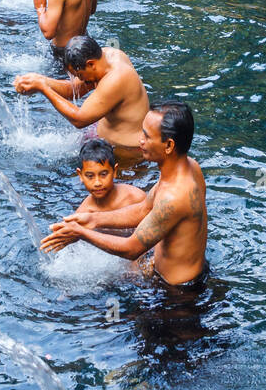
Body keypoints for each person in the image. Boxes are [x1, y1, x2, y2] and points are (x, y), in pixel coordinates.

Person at [41, 102, 208, 288]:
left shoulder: (175, 197)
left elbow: (132, 249)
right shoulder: (189, 167)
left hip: (178, 298)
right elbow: (144, 209)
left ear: (168, 145)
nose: (140, 140)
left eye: (146, 135)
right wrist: (94, 219)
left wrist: (81, 233)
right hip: (181, 276)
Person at [14, 34, 150, 156]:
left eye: (79, 75)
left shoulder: (117, 78)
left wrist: (44, 88)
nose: (81, 79)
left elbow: (80, 120)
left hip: (127, 152)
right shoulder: (106, 57)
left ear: (90, 64)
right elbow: (72, 89)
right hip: (105, 140)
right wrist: (40, 80)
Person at [66, 139, 146, 222]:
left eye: (103, 174)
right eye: (90, 176)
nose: (97, 183)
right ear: (80, 175)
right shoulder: (83, 214)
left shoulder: (135, 198)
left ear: (115, 171)